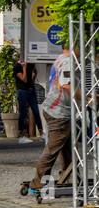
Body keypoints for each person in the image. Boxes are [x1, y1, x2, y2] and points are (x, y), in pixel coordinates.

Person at [30, 47, 74, 196]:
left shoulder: (60, 58)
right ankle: (38, 181)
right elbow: (66, 85)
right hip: (59, 112)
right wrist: (86, 97)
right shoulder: (68, 61)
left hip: (55, 108)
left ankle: (67, 177)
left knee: (66, 148)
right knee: (53, 148)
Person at [14, 59, 42, 140]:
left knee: (36, 111)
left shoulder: (31, 64)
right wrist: (24, 67)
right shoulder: (17, 67)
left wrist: (33, 75)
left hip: (31, 90)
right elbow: (24, 79)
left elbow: (33, 75)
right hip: (22, 91)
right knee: (23, 112)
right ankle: (21, 133)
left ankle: (41, 132)